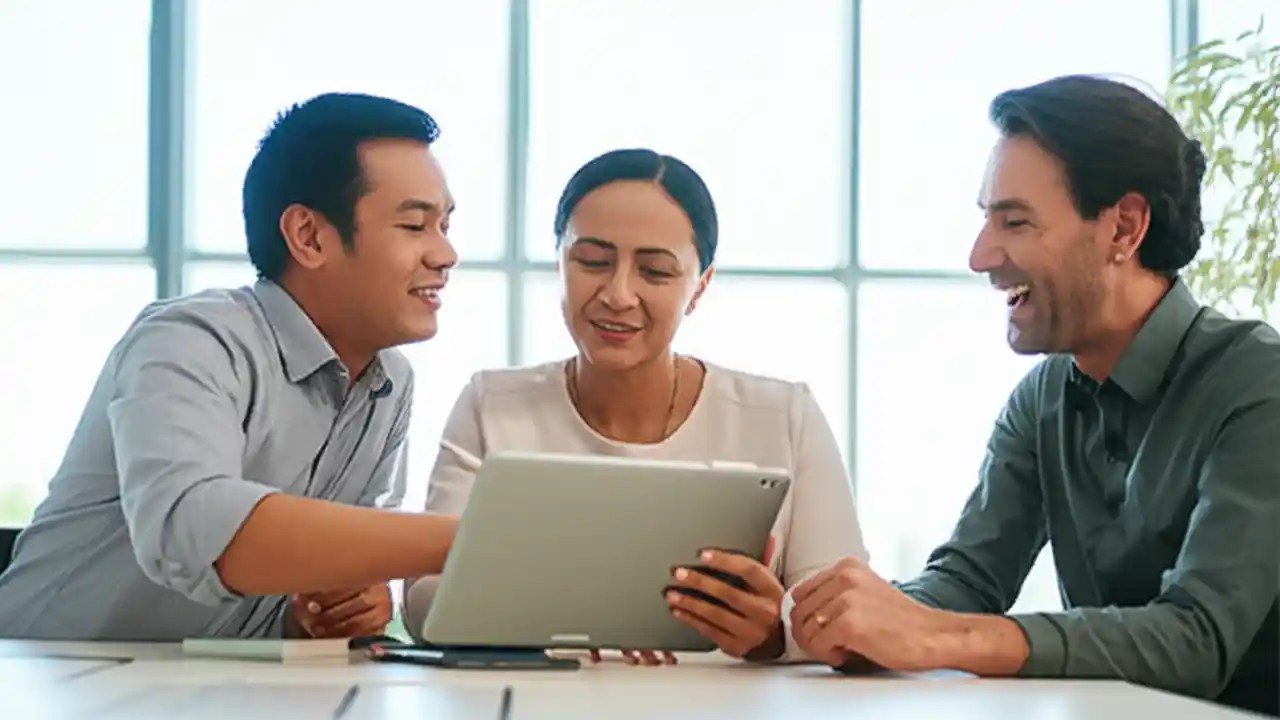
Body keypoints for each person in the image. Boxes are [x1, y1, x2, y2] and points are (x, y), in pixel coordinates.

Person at [789, 75, 1280, 716]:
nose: (980, 255)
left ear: (1124, 229)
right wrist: (812, 624)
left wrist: (938, 637)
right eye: (986, 221)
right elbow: (965, 583)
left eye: (1014, 221)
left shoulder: (1258, 385)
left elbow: (1197, 640)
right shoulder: (1043, 399)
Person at [0, 92, 462, 641]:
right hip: (45, 678)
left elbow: (314, 579)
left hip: (208, 685)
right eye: (414, 227)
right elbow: (194, 525)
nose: (444, 255)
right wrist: (469, 541)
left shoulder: (390, 383)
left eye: (445, 227)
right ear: (309, 237)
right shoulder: (190, 339)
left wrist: (327, 608)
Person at [402, 148, 867, 664]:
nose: (618, 294)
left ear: (699, 287)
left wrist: (773, 634)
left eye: (656, 272)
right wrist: (564, 619)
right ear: (559, 262)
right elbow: (425, 602)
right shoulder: (492, 405)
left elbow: (849, 615)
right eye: (593, 262)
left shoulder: (782, 415)